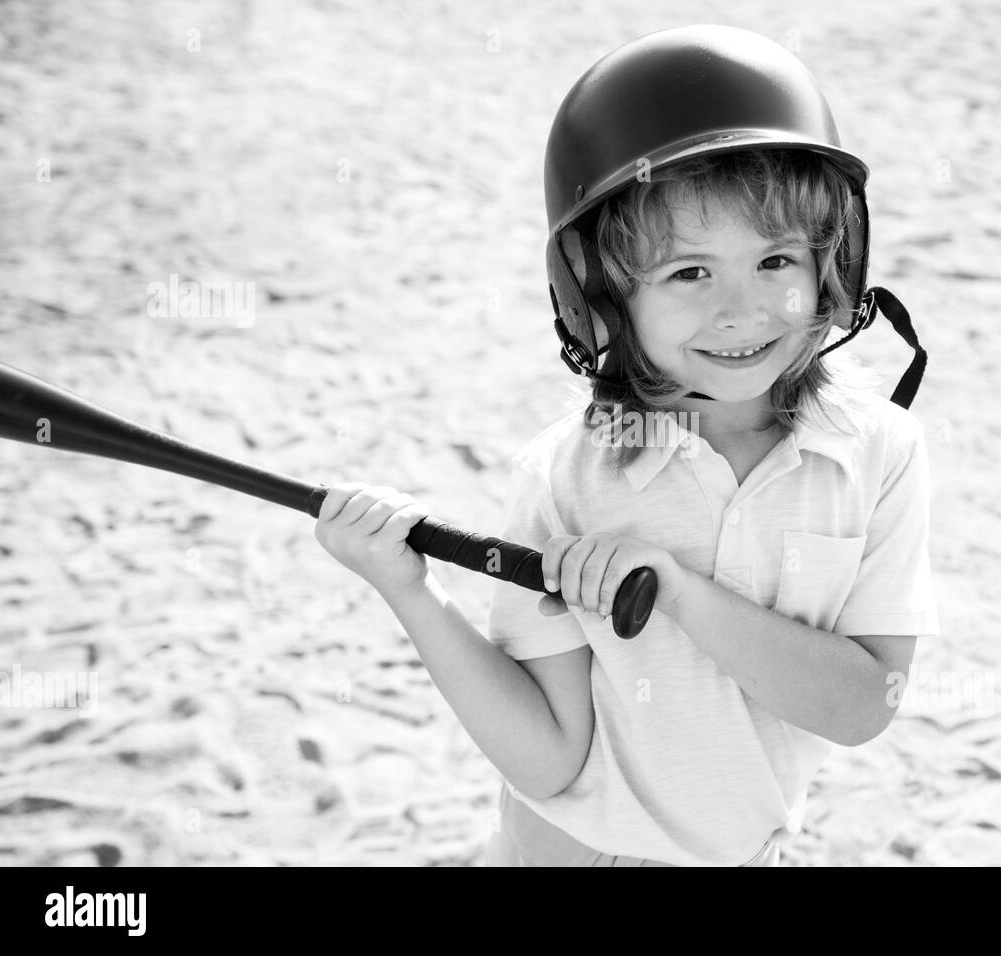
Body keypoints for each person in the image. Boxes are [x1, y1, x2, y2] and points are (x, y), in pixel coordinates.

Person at [314, 24, 939, 867]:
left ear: (835, 262)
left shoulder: (878, 454)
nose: (742, 311)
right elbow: (549, 757)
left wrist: (680, 594)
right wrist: (411, 591)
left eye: (776, 261)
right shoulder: (567, 478)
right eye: (688, 272)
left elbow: (864, 705)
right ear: (602, 298)